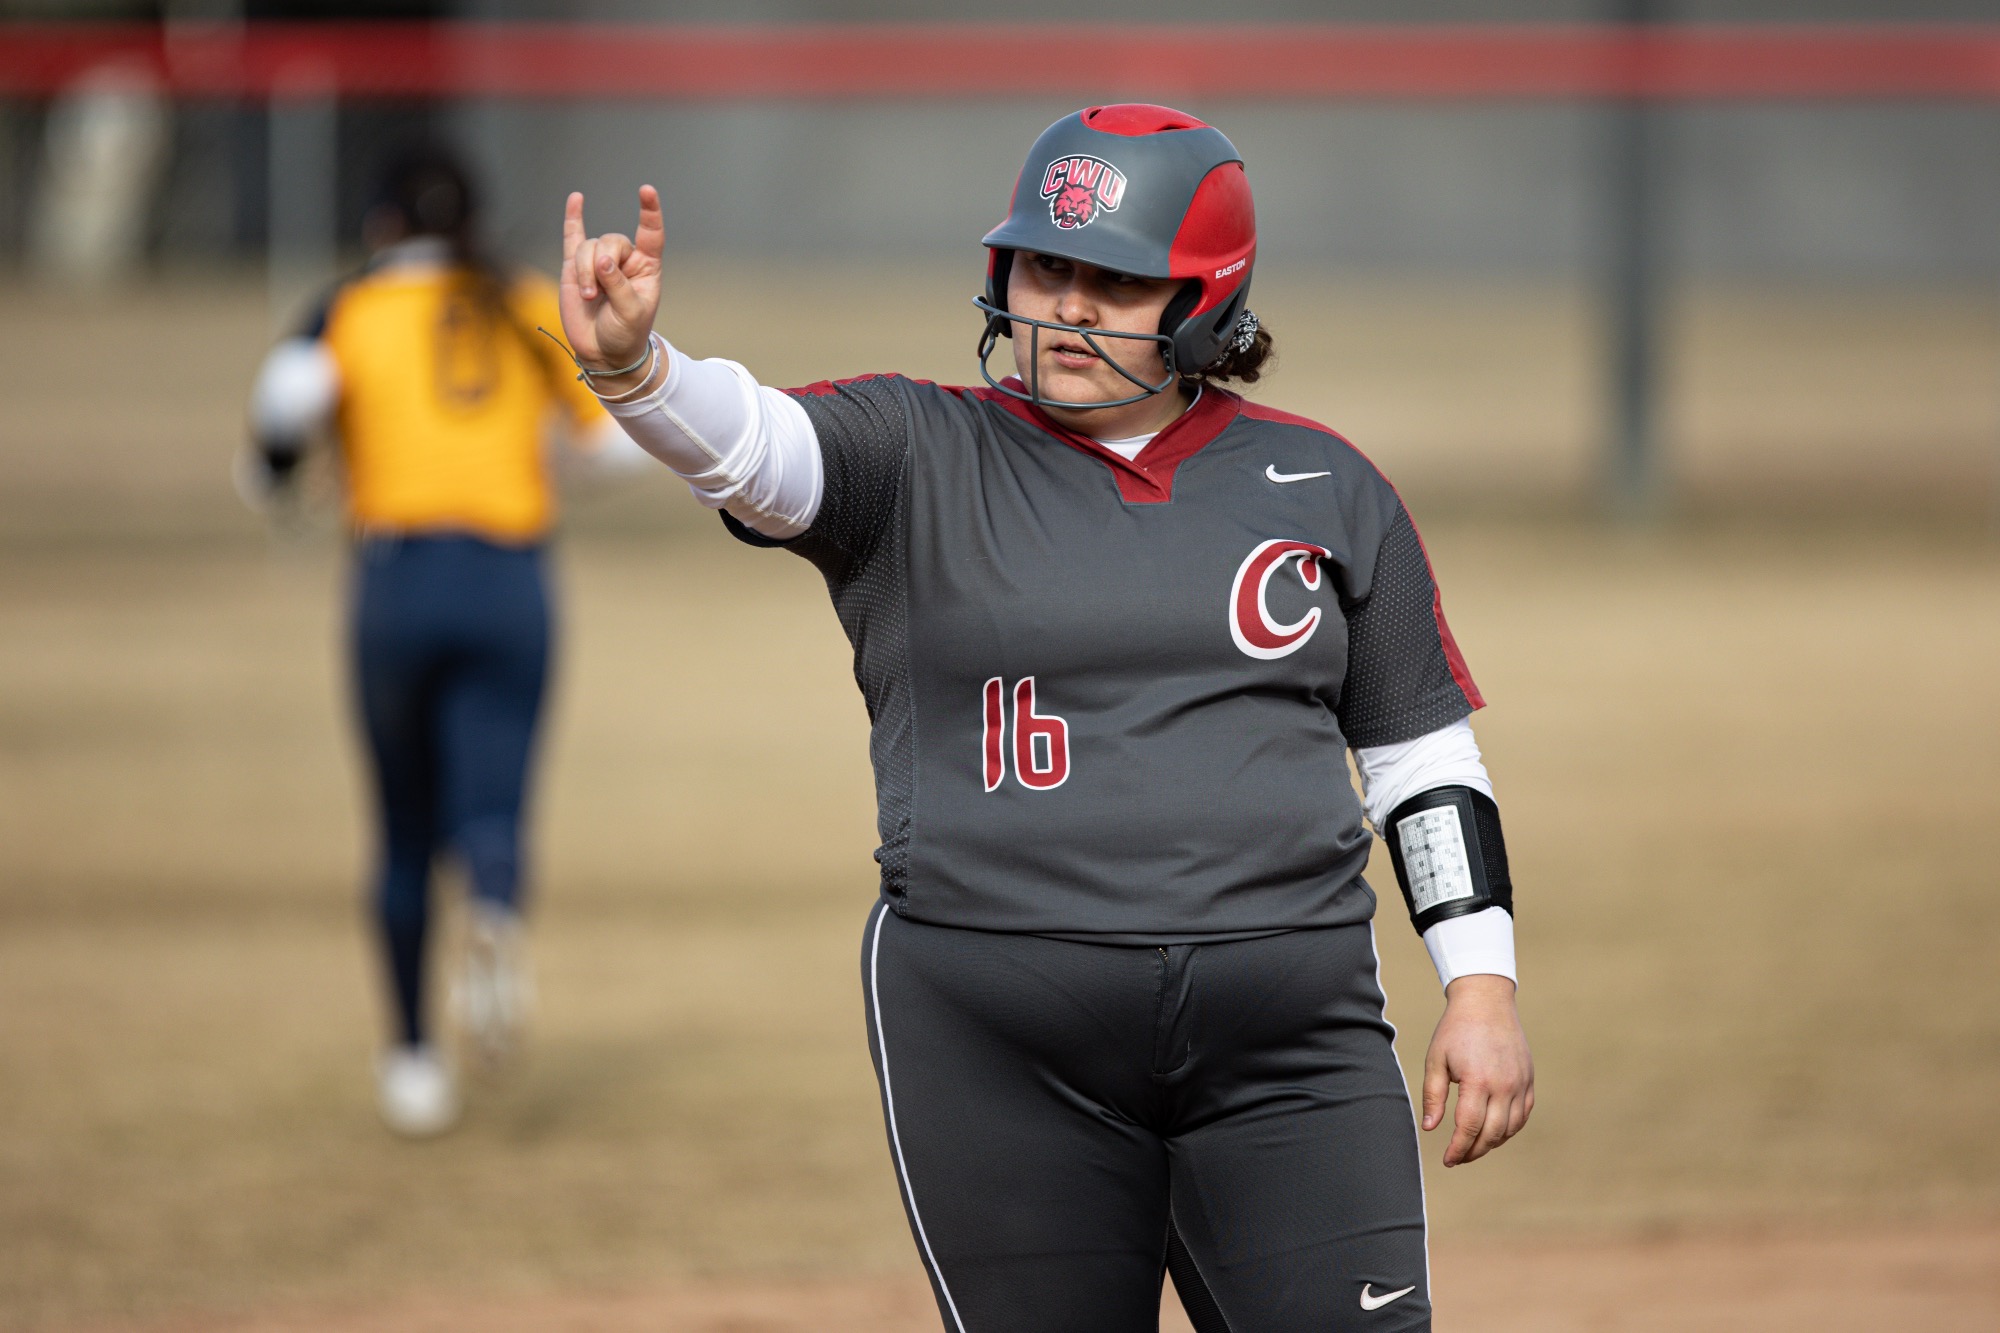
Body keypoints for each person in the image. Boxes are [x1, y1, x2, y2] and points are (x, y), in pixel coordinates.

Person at [559, 105, 1533, 1331]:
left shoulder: (1324, 484)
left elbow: (1418, 756)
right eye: (1043, 265)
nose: (1065, 307)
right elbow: (755, 448)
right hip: (999, 1037)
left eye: (1114, 281)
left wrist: (1480, 988)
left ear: (1203, 301)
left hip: (1288, 1038)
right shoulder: (914, 453)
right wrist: (636, 371)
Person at [243, 146, 642, 1137]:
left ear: (381, 224)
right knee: (494, 806)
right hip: (510, 575)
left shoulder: (349, 308)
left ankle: (413, 1056)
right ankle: (497, 911)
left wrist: (285, 476)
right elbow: (609, 448)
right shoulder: (519, 301)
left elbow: (278, 425)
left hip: (398, 577)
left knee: (402, 829)